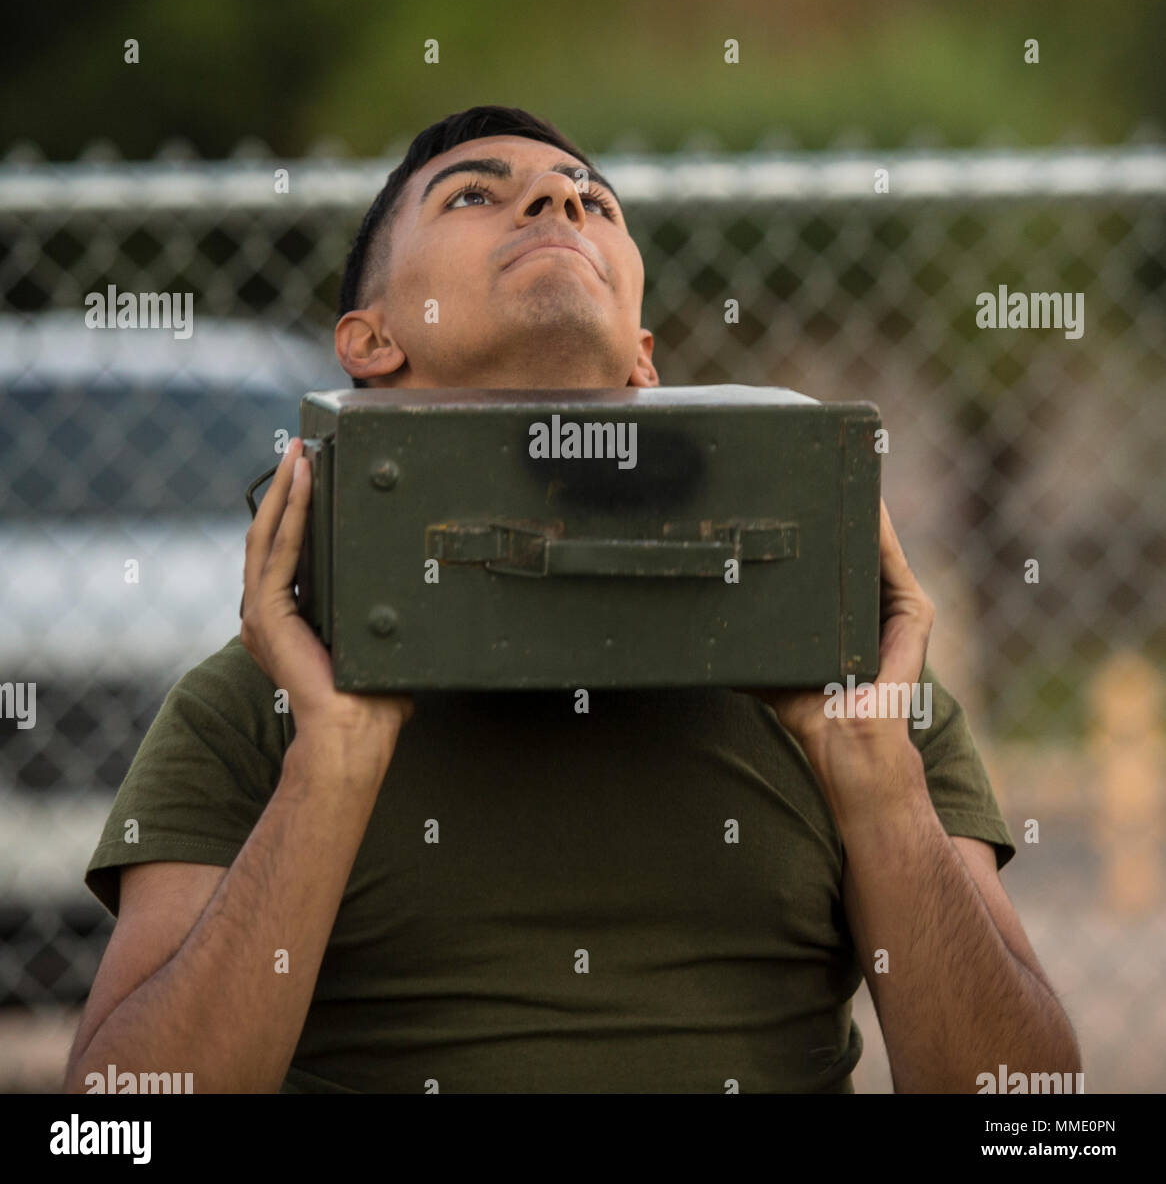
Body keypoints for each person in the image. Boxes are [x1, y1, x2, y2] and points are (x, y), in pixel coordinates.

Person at [66, 105, 1080, 1094]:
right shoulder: (253, 708)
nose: (558, 197)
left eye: (589, 201)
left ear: (642, 355)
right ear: (370, 342)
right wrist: (331, 761)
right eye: (473, 194)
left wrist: (873, 775)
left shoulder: (839, 680)